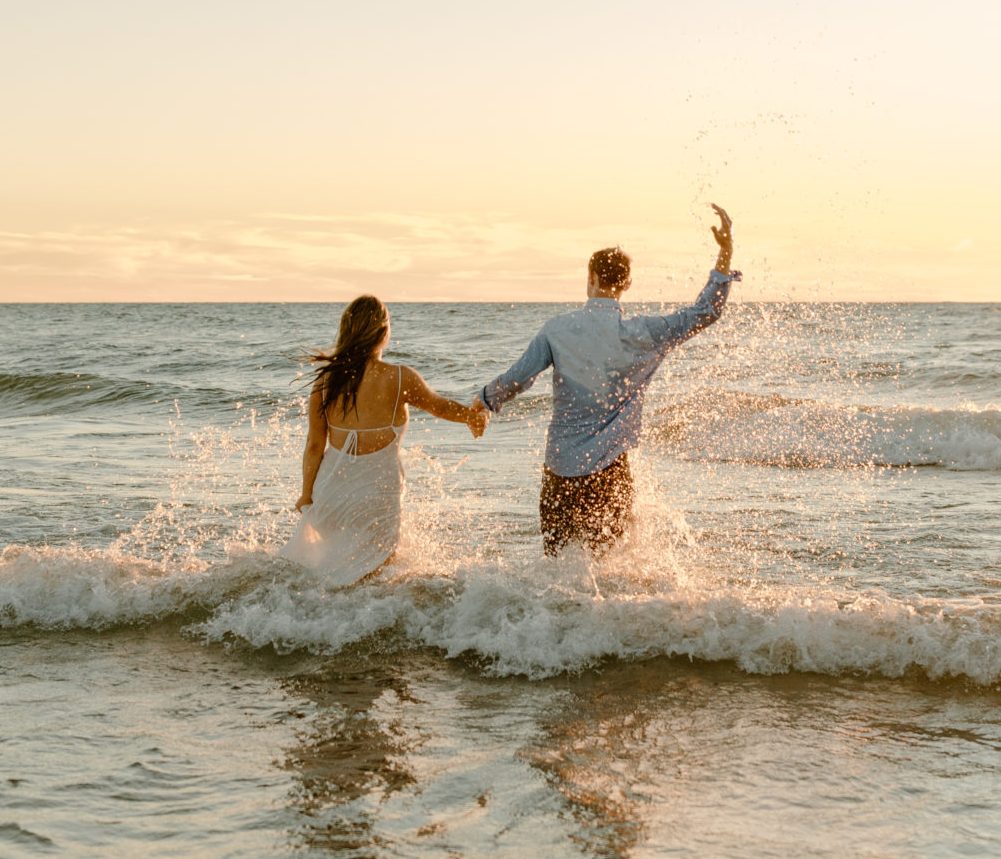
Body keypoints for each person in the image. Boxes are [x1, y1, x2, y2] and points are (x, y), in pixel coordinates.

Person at [475, 206, 739, 556]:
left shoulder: (556, 330)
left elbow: (515, 380)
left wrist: (482, 404)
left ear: (591, 278)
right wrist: (725, 252)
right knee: (611, 572)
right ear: (627, 283)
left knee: (556, 571)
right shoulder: (644, 333)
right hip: (610, 474)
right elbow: (705, 313)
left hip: (560, 470)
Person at [287, 294, 487, 587]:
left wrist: (307, 495)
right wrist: (472, 415)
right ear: (383, 332)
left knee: (332, 570)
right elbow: (440, 406)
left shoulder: (325, 381)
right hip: (377, 493)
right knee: (377, 574)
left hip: (332, 492)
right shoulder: (400, 378)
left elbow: (315, 446)